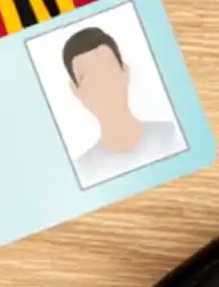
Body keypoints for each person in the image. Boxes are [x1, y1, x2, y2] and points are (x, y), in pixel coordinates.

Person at [61, 26, 184, 186]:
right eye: (88, 79)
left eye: (107, 71)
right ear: (76, 91)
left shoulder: (172, 136)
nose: (102, 87)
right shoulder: (83, 171)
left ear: (125, 71)